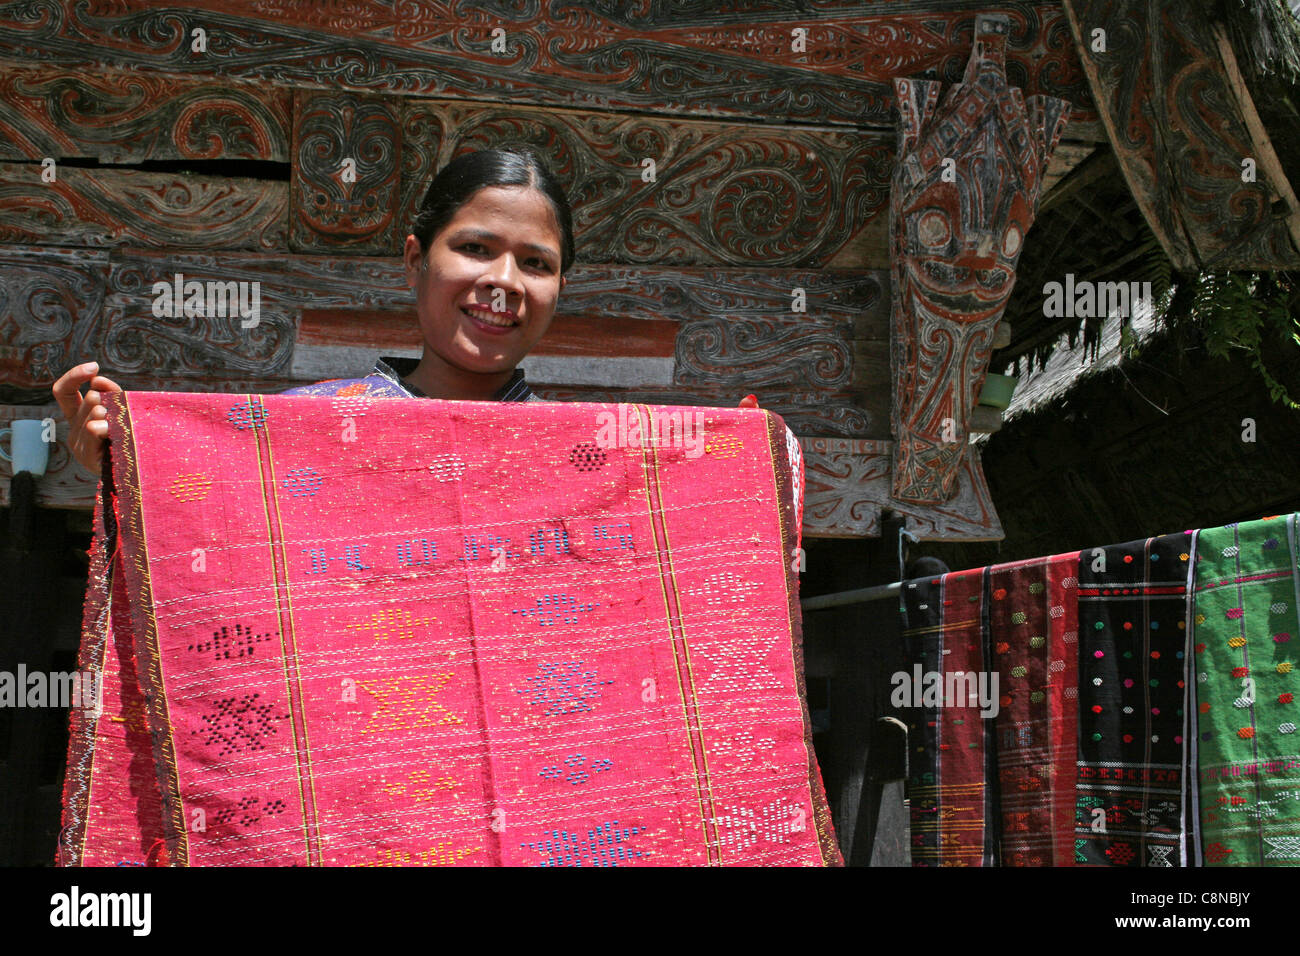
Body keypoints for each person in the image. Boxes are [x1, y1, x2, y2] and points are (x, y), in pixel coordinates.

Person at [52, 148, 783, 508]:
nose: (502, 281)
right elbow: (208, 532)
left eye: (535, 262)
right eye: (474, 248)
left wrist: (750, 466)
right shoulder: (299, 434)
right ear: (414, 260)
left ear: (559, 289)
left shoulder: (590, 461)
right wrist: (115, 465)